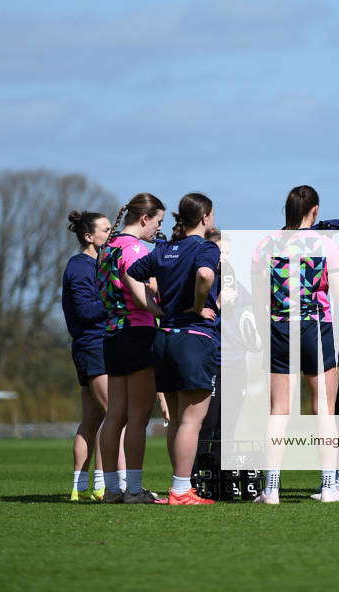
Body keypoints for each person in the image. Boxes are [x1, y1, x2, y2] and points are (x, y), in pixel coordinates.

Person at [254, 186, 339, 504]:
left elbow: (259, 294)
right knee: (323, 409)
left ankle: (270, 489)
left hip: (279, 327)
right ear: (314, 210)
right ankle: (329, 487)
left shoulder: (266, 243)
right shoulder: (325, 244)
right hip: (317, 326)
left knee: (278, 410)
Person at [127, 193, 220, 506]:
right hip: (193, 338)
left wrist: (152, 307)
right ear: (205, 217)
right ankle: (181, 490)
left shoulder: (164, 249)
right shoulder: (206, 247)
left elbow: (130, 272)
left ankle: (181, 486)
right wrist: (197, 306)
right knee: (192, 421)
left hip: (164, 339)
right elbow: (205, 275)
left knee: (178, 421)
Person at [97, 192, 166, 504]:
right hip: (137, 333)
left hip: (111, 334)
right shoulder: (135, 249)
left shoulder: (105, 249)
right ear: (144, 219)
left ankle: (112, 489)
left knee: (114, 416)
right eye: (158, 222)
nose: (157, 229)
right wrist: (170, 312)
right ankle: (135, 490)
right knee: (138, 418)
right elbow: (141, 297)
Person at [62, 209, 118, 502]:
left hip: (90, 346)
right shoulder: (81, 267)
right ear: (89, 236)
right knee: (113, 414)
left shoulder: (94, 263)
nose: (112, 234)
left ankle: (79, 487)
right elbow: (85, 311)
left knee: (93, 417)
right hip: (93, 346)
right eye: (106, 230)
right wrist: (117, 298)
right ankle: (101, 484)